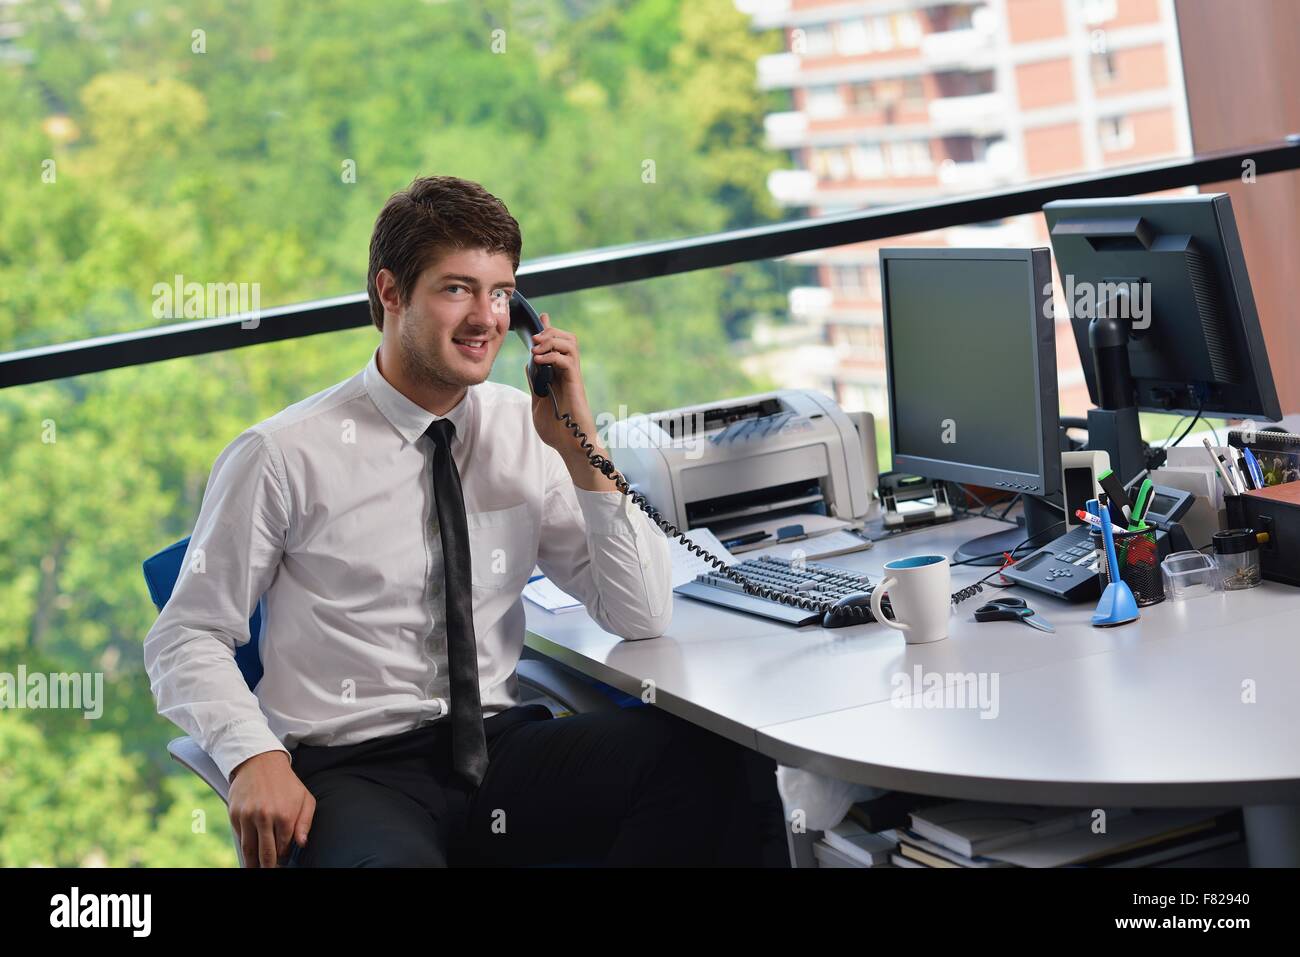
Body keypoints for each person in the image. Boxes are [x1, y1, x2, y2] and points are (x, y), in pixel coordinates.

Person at [144, 174, 784, 867]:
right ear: (392, 293)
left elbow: (640, 612)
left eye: (501, 292)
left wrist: (583, 450)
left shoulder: (523, 427)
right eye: (456, 289)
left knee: (715, 767)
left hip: (497, 751)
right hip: (358, 771)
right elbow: (187, 636)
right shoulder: (282, 453)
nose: (486, 318)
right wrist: (252, 756)